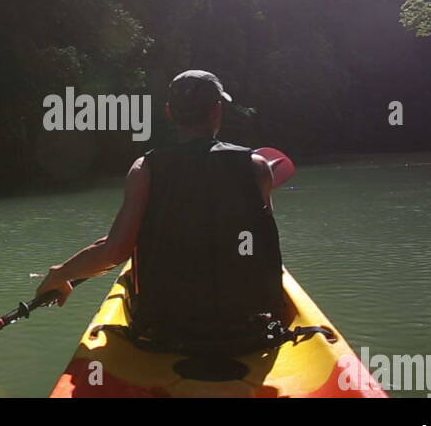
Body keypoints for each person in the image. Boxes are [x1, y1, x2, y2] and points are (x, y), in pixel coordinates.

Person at [35, 70, 285, 351]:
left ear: (169, 112)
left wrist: (61, 273)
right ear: (217, 110)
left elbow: (114, 252)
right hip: (245, 327)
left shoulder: (145, 169)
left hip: (165, 331)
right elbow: (261, 248)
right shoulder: (257, 167)